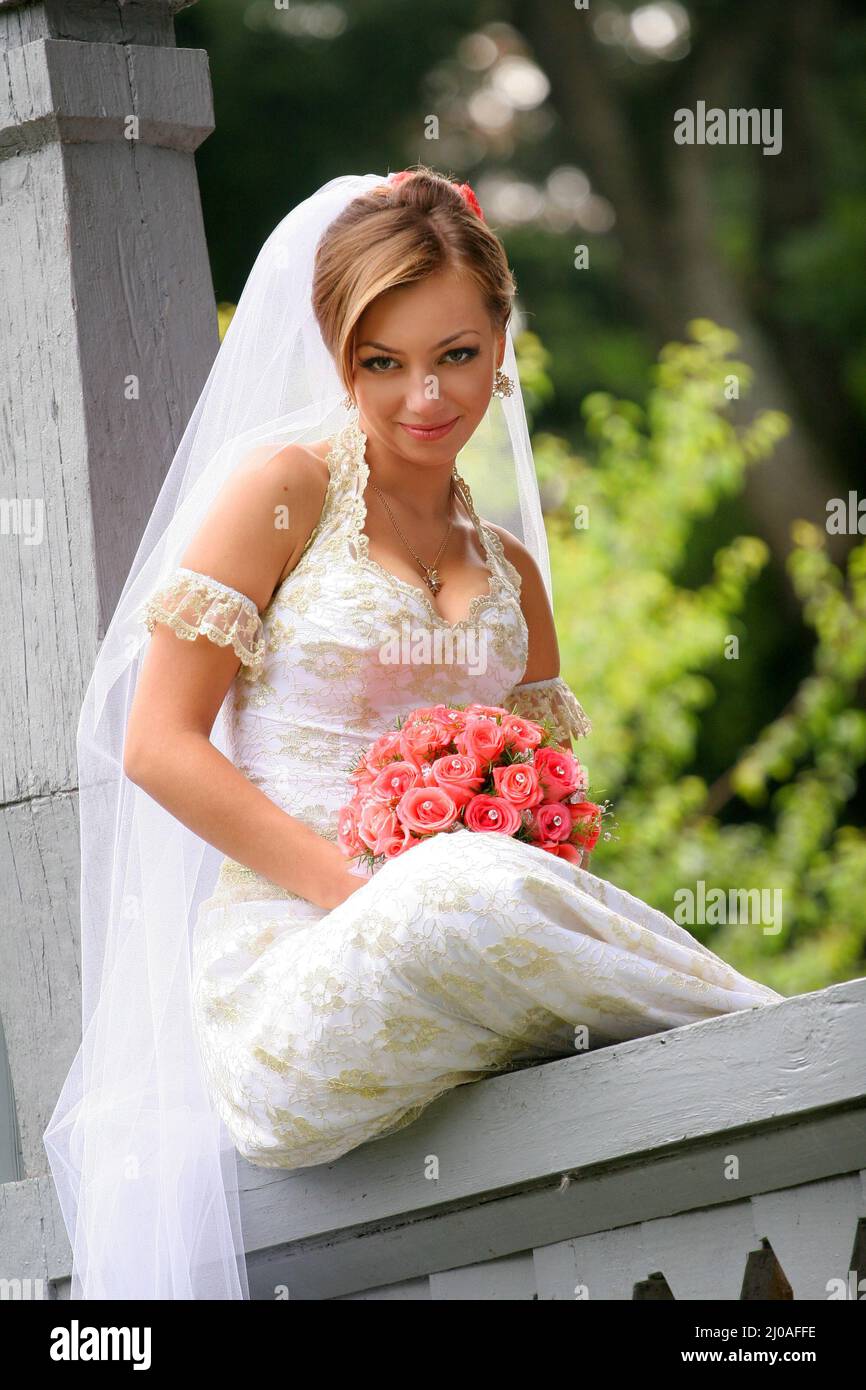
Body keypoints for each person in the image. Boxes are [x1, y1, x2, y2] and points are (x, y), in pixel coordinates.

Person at [43, 165, 784, 1300]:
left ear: (501, 344)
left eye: (455, 355)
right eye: (378, 362)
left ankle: (780, 1063)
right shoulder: (283, 491)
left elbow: (549, 836)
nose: (422, 396)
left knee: (493, 910)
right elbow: (156, 743)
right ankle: (787, 1038)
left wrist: (476, 853)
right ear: (336, 354)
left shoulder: (513, 576)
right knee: (454, 889)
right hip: (290, 983)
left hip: (456, 973)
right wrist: (361, 891)